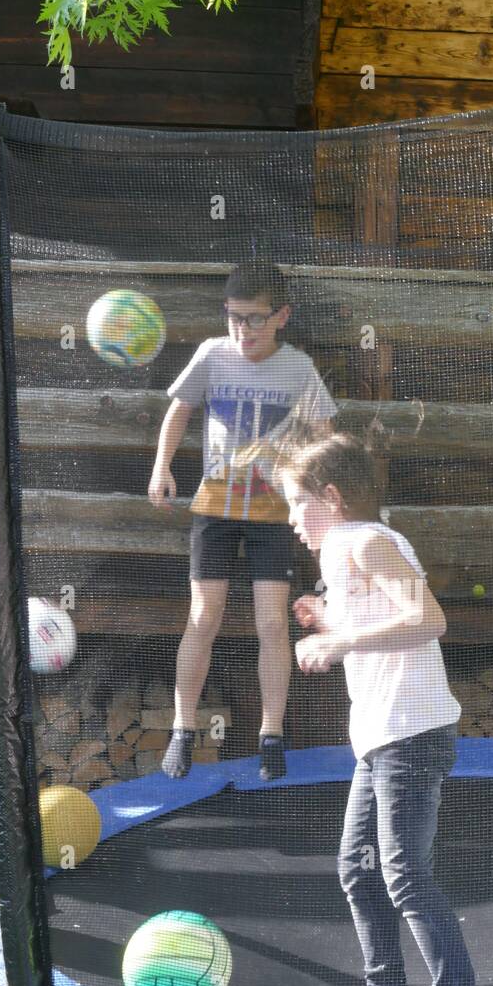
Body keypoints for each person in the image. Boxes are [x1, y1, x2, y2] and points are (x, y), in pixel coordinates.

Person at [277, 432, 492, 986]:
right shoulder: (342, 548)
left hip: (411, 732)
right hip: (379, 735)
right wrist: (330, 620)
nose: (291, 520)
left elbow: (428, 619)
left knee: (403, 873)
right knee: (357, 868)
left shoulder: (368, 540)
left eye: (297, 504)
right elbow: (383, 623)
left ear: (332, 496)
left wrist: (338, 641)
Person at [148, 261, 337, 781]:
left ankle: (271, 735)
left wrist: (319, 495)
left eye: (255, 319)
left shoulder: (298, 368)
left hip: (274, 512)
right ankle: (184, 729)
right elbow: (180, 411)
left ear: (282, 316)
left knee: (272, 622)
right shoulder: (212, 355)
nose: (243, 331)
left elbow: (322, 433)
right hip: (214, 507)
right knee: (203, 617)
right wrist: (162, 467)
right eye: (234, 318)